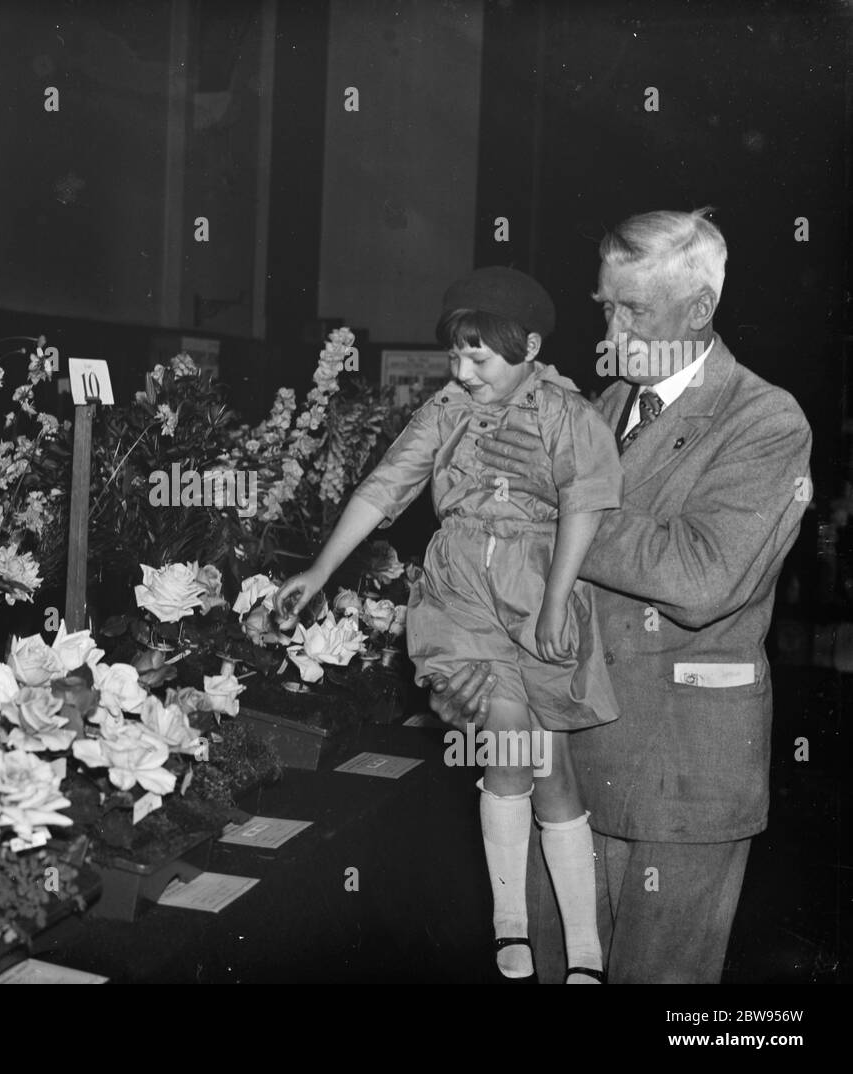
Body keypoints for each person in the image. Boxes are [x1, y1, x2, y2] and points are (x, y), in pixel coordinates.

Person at [427, 209, 813, 983]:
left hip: (679, 774)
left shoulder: (764, 420)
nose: (611, 324)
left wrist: (561, 504)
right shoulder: (598, 406)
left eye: (633, 307)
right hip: (565, 757)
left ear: (699, 310)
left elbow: (704, 579)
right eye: (606, 304)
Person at [278, 266, 624, 983]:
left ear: (528, 346)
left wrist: (558, 601)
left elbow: (585, 506)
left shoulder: (567, 413)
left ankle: (586, 951)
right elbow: (385, 487)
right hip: (463, 594)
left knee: (552, 769)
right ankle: (510, 928)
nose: (463, 372)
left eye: (480, 357)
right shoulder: (445, 409)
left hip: (537, 590)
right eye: (456, 355)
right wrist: (319, 570)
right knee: (507, 751)